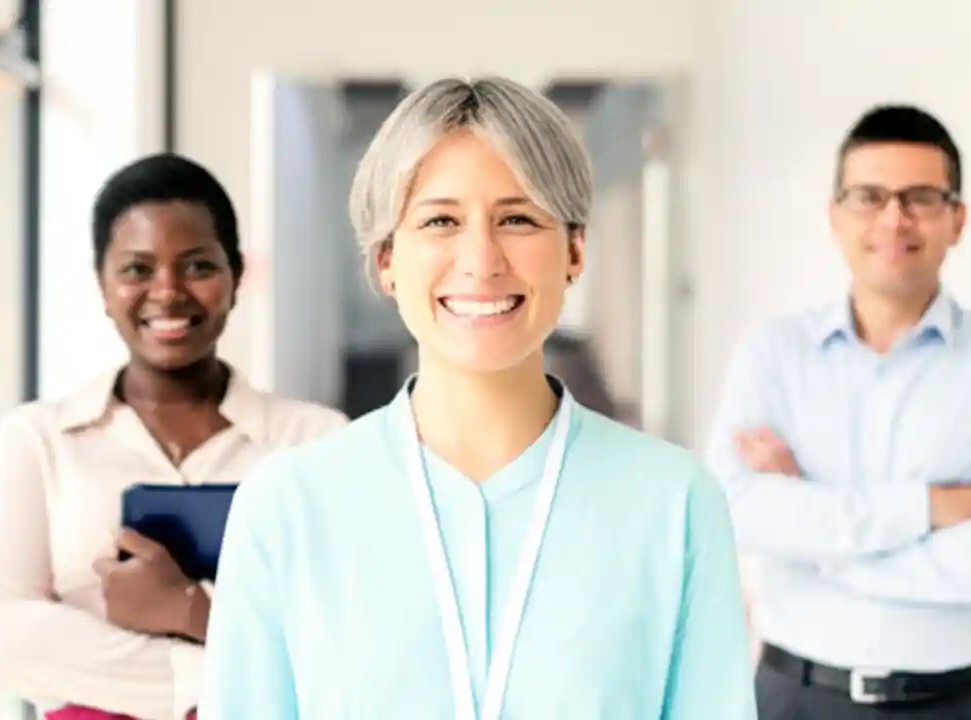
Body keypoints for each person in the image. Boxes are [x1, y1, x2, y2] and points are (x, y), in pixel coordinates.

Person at [201, 76, 755, 719]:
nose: (481, 258)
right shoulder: (289, 506)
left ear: (574, 250)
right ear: (386, 259)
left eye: (517, 219)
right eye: (440, 220)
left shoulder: (674, 502)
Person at [705, 105, 971, 719]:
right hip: (793, 700)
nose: (894, 219)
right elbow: (731, 512)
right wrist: (925, 507)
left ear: (958, 220)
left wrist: (814, 534)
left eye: (920, 197)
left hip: (957, 704)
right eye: (869, 196)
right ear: (835, 215)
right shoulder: (772, 353)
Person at [0, 154, 347, 720]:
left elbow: (343, 635)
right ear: (102, 284)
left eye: (196, 267)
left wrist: (188, 609)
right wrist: (210, 673)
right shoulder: (39, 439)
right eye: (137, 269)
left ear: (236, 276)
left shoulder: (315, 440)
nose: (167, 293)